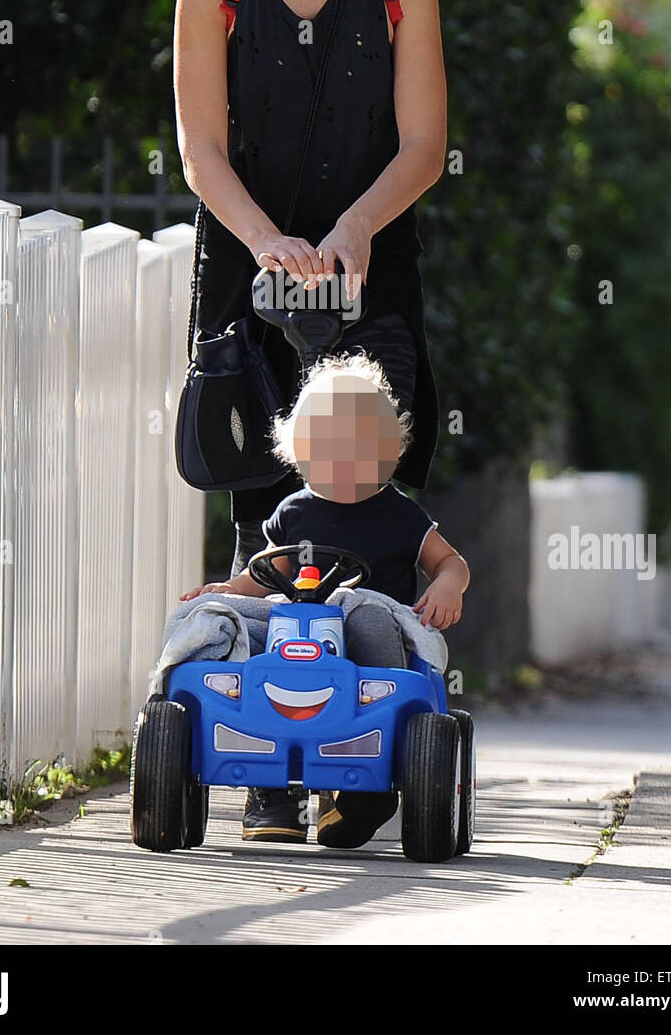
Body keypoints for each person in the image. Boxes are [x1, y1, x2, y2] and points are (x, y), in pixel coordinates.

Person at [173, 0, 449, 838]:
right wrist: (268, 245)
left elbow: (424, 144)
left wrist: (346, 234)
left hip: (371, 265)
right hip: (247, 268)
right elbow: (200, 150)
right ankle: (270, 775)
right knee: (263, 512)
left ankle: (363, 763)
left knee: (370, 503)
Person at [180, 351, 471, 848]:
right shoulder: (295, 510)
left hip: (366, 651)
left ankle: (367, 774)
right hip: (300, 639)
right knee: (242, 629)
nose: (343, 459)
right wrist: (229, 591)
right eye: (328, 447)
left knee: (370, 616)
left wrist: (446, 585)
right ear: (300, 450)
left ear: (388, 450)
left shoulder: (400, 515)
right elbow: (270, 571)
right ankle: (271, 790)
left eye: (358, 447)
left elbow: (450, 563)